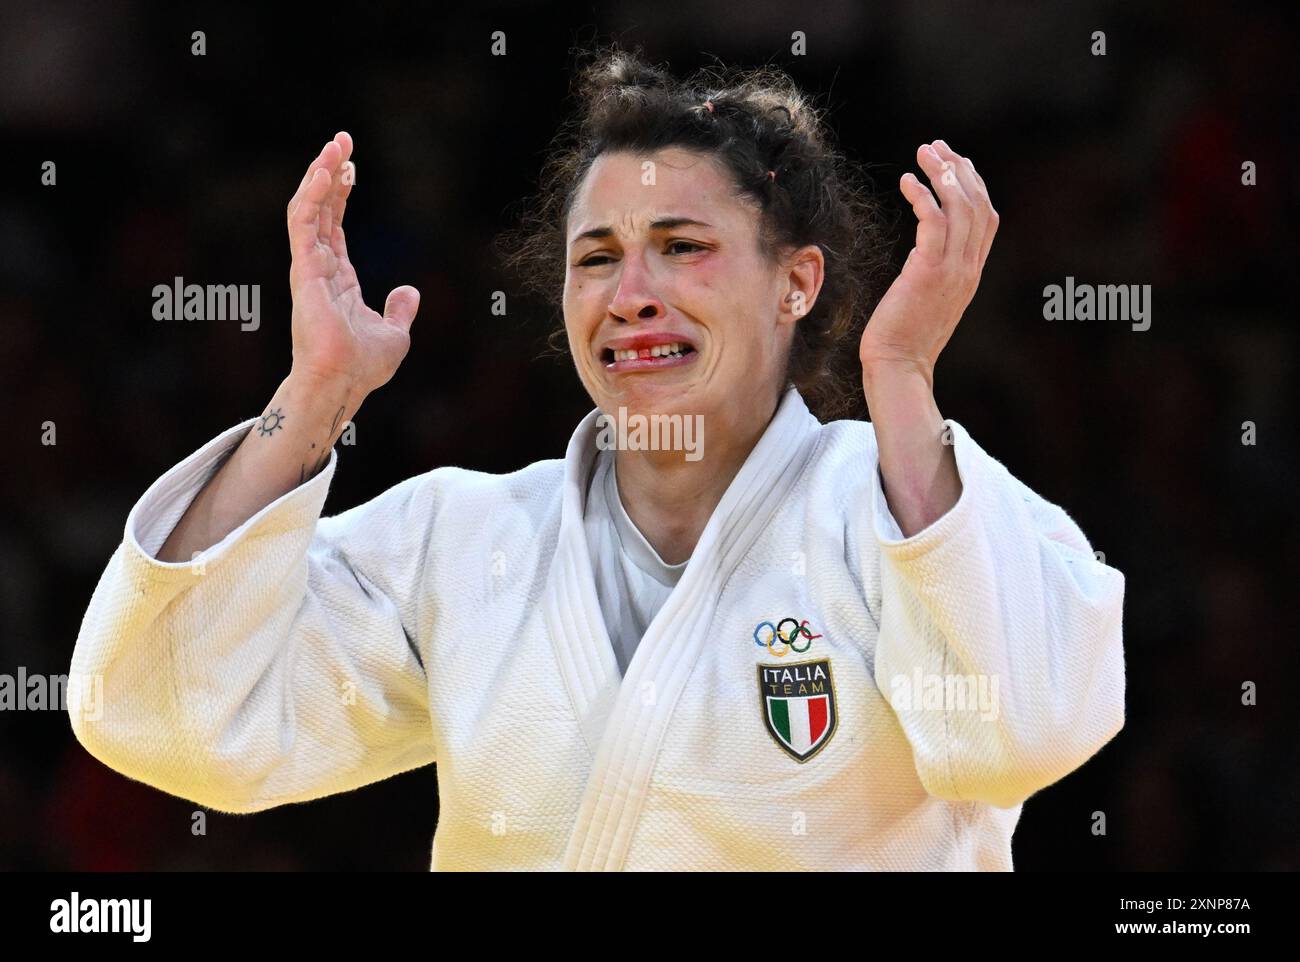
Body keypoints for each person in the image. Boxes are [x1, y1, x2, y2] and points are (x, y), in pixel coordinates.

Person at [66, 47, 1125, 871]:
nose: (632, 296)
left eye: (683, 245)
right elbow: (168, 715)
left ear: (796, 281)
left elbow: (1012, 736)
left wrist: (898, 374)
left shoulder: (893, 510)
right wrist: (316, 398)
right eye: (598, 258)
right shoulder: (463, 537)